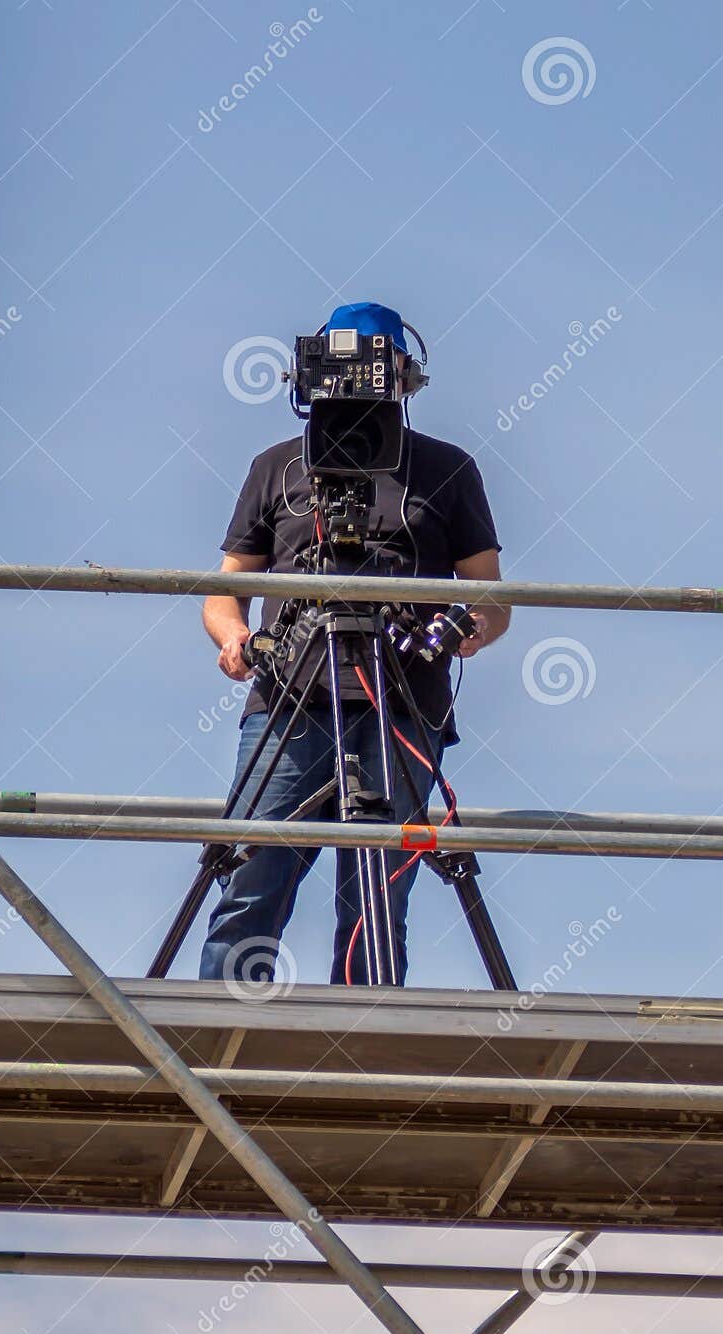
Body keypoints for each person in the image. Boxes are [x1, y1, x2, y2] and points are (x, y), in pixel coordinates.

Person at [199, 301, 508, 987]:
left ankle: (362, 1040)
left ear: (405, 375)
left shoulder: (447, 468)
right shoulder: (277, 467)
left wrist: (471, 628)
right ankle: (214, 1032)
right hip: (288, 698)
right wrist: (237, 640)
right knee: (253, 872)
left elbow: (491, 595)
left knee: (378, 894)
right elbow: (223, 591)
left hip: (405, 702)